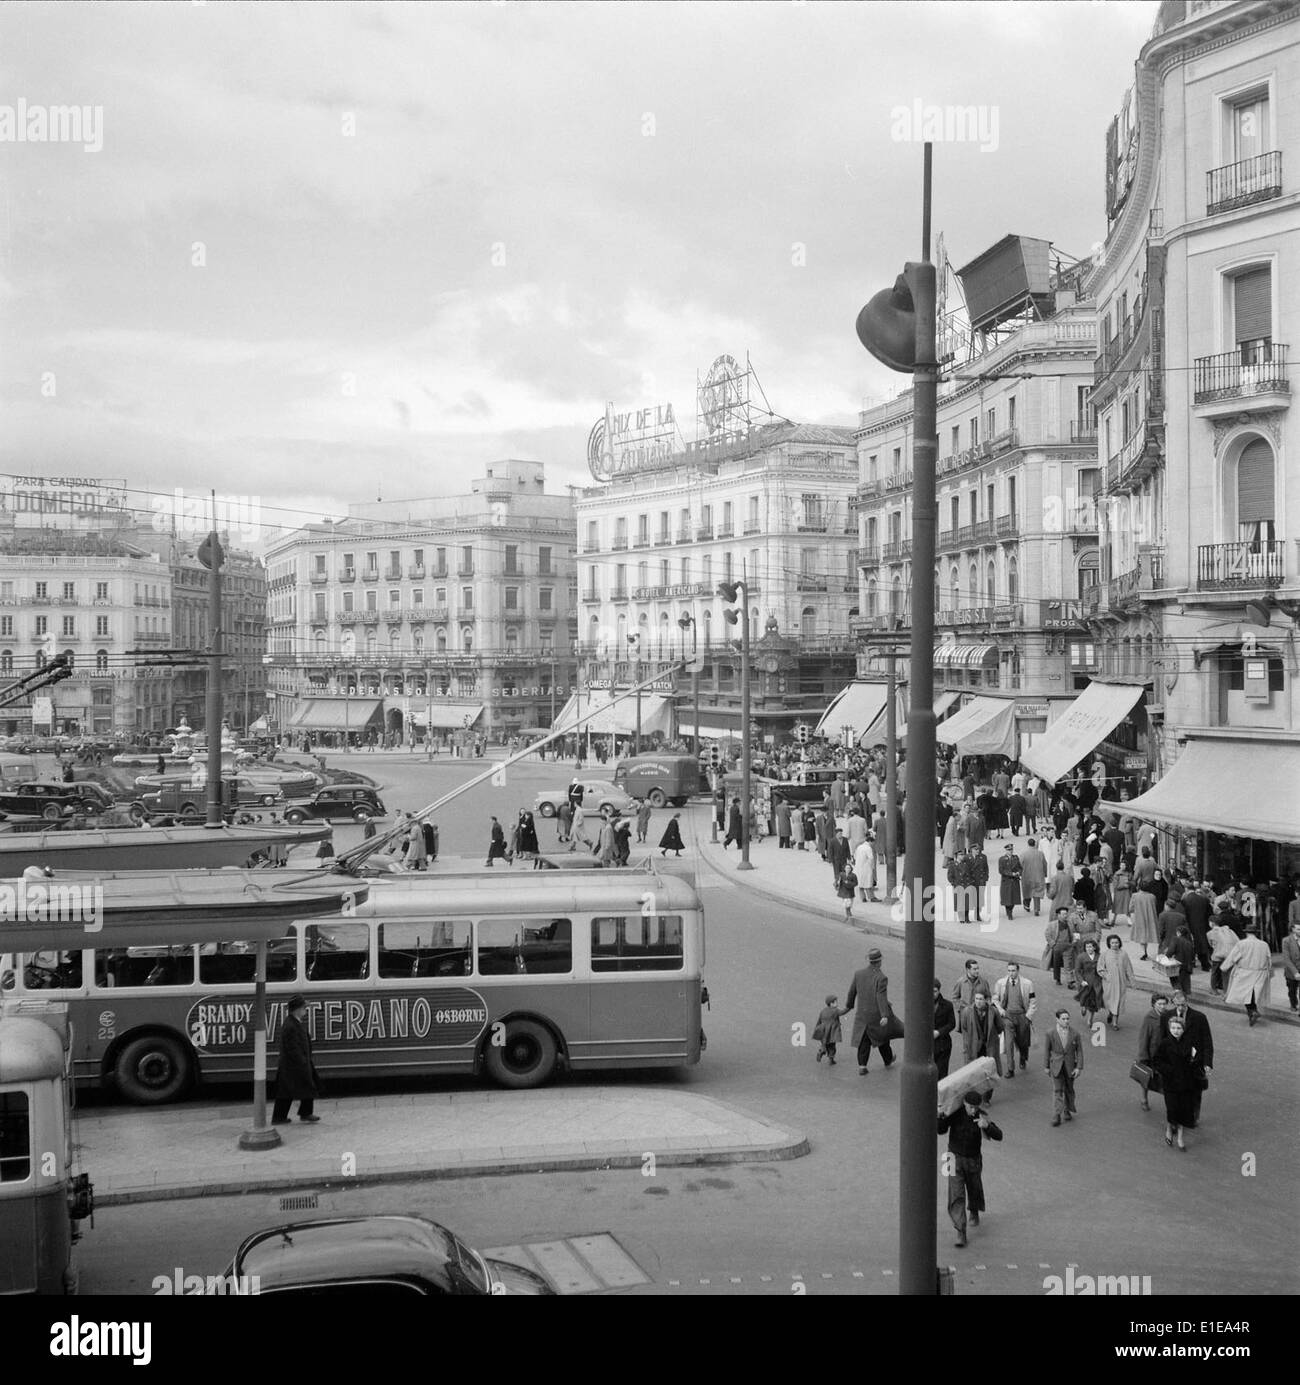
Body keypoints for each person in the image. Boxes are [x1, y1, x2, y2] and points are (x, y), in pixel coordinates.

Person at [938, 1090, 1003, 1249]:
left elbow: (999, 1135)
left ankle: (974, 1209)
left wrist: (987, 1126)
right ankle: (961, 1231)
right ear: (964, 1104)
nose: (972, 1110)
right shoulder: (954, 1112)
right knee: (956, 1194)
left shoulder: (981, 1116)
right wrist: (940, 1116)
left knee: (974, 1188)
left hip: (973, 1159)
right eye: (970, 1107)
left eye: (975, 1107)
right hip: (953, 1158)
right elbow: (940, 1130)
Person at [1160, 990, 1214, 1127]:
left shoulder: (1199, 1017)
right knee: (1175, 1096)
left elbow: (1207, 1041)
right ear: (1173, 1003)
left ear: (1187, 1002)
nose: (1181, 1007)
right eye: (1178, 1004)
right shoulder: (1166, 1016)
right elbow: (1162, 1040)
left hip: (1194, 1064)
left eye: (1183, 1004)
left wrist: (1207, 1063)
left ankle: (1192, 1117)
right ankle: (1174, 1121)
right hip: (1174, 1066)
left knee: (1195, 1093)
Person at [1151, 1013, 1201, 1152]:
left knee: (1183, 1110)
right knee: (1172, 1109)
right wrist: (1169, 1070)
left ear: (1183, 1029)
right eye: (1173, 1028)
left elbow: (1197, 1059)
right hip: (1171, 1083)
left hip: (1186, 1083)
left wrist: (1193, 1061)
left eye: (1178, 1028)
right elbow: (1157, 1061)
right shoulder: (1165, 1043)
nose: (1175, 1030)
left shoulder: (1189, 1042)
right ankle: (1169, 1127)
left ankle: (1180, 1137)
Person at [846, 947, 899, 1074]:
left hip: (862, 1014)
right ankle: (888, 1060)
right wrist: (884, 1015)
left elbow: (852, 992)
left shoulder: (858, 974)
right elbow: (881, 996)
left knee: (864, 1040)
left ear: (869, 961)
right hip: (876, 1015)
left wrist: (849, 1006)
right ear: (879, 961)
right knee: (882, 1039)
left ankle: (862, 1066)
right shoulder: (881, 977)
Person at [272, 995, 320, 1125]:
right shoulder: (291, 1025)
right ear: (297, 1009)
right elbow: (293, 1048)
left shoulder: (294, 1022)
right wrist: (303, 1063)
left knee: (298, 1089)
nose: (306, 1009)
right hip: (293, 1065)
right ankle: (281, 1117)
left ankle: (302, 1113)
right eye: (304, 1007)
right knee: (289, 1091)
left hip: (296, 1064)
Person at [1222, 920, 1273, 1026]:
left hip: (1244, 972)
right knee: (1254, 994)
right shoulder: (1264, 945)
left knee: (1244, 994)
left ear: (1246, 933)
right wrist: (1270, 973)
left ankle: (1252, 1012)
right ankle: (1253, 1012)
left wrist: (1224, 967)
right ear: (1257, 933)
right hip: (1260, 972)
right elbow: (1269, 960)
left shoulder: (1241, 944)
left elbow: (1232, 957)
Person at [993, 961, 1036, 1077]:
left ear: (1018, 970)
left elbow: (1032, 1002)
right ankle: (1010, 1069)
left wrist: (1028, 1016)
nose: (1011, 973)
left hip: (1022, 1016)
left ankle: (1023, 1056)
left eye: (1013, 971)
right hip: (1008, 1017)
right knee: (1009, 1043)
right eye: (1009, 971)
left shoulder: (1027, 984)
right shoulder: (1001, 983)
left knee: (1023, 1042)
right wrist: (1001, 1010)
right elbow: (995, 999)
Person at [1044, 1008, 1084, 1127]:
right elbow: (1047, 1050)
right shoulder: (1050, 1033)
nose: (1066, 1021)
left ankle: (1067, 1109)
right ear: (1057, 1020)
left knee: (1069, 1089)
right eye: (1063, 1019)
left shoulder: (1075, 1034)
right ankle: (1057, 1115)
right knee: (1057, 1091)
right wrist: (1046, 1066)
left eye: (1068, 1018)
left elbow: (1080, 1051)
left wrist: (1079, 1067)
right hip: (1056, 1066)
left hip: (1070, 1066)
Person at [1134, 994, 1169, 1112]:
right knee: (1146, 1078)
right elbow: (1143, 1038)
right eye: (1159, 1004)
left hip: (1165, 1055)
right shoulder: (1149, 1018)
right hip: (1151, 1054)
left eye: (1164, 1004)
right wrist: (1143, 1056)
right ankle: (1144, 1099)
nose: (1162, 1006)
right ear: (1154, 1004)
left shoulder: (1168, 1015)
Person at [959, 990, 1003, 1078]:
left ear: (986, 1000)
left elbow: (1000, 1027)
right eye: (976, 999)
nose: (978, 1001)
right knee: (974, 1073)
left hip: (989, 1046)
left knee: (990, 1072)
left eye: (981, 999)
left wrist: (991, 1037)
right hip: (974, 1046)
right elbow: (964, 1027)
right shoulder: (967, 1011)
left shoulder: (993, 1011)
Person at [1099, 933, 1134, 1029]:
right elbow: (1100, 968)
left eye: (1117, 942)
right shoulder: (1104, 954)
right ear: (1109, 944)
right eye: (1113, 943)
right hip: (1109, 983)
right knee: (1110, 1000)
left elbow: (1128, 968)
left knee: (1118, 1001)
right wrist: (1106, 976)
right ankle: (1110, 1012)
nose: (1115, 944)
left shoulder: (1124, 954)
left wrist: (1132, 981)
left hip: (1121, 982)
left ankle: (1115, 1023)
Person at [1074, 939, 1103, 1029]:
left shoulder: (1100, 956)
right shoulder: (1081, 957)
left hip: (1096, 981)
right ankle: (1083, 1006)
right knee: (1084, 998)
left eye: (1090, 946)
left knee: (1093, 1001)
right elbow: (1077, 971)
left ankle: (1090, 1019)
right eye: (1087, 947)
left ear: (1094, 947)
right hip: (1085, 981)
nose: (1089, 948)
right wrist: (1081, 981)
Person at [1131, 877, 1160, 962]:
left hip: (1139, 917)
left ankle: (1144, 951)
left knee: (1141, 935)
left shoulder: (1135, 896)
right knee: (1146, 935)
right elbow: (1155, 905)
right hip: (1150, 917)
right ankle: (1145, 951)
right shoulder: (1152, 897)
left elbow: (1130, 908)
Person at [813, 994, 849, 1064]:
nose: (837, 1003)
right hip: (832, 1032)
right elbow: (842, 1012)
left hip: (823, 1031)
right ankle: (831, 1059)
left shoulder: (823, 1011)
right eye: (835, 1002)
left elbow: (819, 1020)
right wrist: (849, 1008)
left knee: (824, 1043)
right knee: (832, 1045)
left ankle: (822, 1050)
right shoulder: (835, 1011)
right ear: (831, 1003)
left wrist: (817, 1029)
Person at [933, 978, 957, 1080]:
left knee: (941, 1074)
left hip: (943, 1045)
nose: (932, 994)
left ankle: (940, 1095)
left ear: (939, 991)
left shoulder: (947, 1005)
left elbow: (952, 1024)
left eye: (934, 991)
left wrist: (939, 1032)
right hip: (927, 1046)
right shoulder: (921, 1005)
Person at [1045, 907, 1074, 987]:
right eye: (1063, 914)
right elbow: (1047, 934)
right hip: (1057, 947)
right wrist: (1053, 944)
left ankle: (1070, 982)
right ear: (1058, 915)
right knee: (1056, 964)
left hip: (1068, 946)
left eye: (1066, 914)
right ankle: (1058, 979)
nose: (1065, 915)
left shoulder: (1070, 923)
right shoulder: (1052, 924)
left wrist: (1073, 942)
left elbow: (1073, 933)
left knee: (1068, 965)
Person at [1020, 837, 1048, 916]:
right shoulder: (1040, 854)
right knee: (1037, 893)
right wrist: (1045, 874)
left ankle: (1027, 905)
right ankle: (1036, 909)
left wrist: (1020, 874)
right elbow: (1045, 864)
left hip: (1027, 877)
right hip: (1038, 876)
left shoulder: (1023, 854)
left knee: (1027, 891)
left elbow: (1019, 865)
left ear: (1028, 844)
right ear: (1035, 844)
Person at [997, 842, 1022, 920]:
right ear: (1006, 851)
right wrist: (1011, 874)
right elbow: (1001, 870)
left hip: (1014, 880)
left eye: (1011, 850)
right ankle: (1009, 912)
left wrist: (1019, 872)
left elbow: (1020, 867)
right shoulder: (1002, 859)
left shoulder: (1016, 858)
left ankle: (1010, 910)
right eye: (1009, 850)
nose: (1010, 851)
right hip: (1006, 880)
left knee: (1014, 898)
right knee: (1007, 898)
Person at [1282, 918, 1300, 1014]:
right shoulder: (1286, 941)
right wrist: (1295, 972)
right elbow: (1286, 959)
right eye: (1298, 929)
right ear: (1293, 929)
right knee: (1292, 991)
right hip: (1291, 972)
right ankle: (1293, 1004)